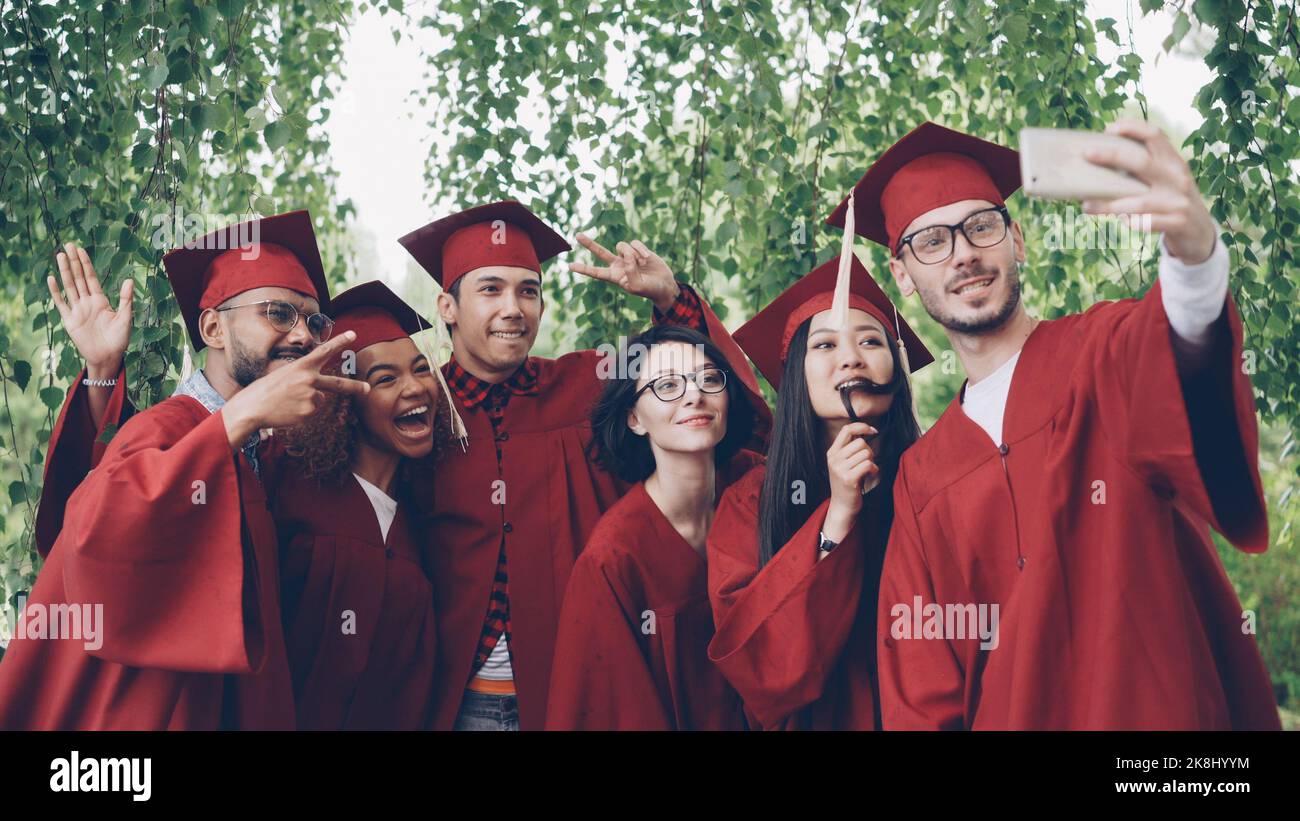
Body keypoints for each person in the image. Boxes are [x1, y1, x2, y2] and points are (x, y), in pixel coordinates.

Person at [826, 120, 1279, 729]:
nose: (963, 253)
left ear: (1017, 238)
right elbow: (921, 687)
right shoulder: (920, 479)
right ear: (903, 275)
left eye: (981, 226)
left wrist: (1195, 257)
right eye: (931, 241)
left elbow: (1175, 342)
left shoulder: (1101, 353)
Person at [398, 200, 768, 730]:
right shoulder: (417, 411)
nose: (513, 308)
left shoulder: (590, 385)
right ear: (447, 307)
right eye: (490, 289)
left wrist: (670, 300)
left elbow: (717, 405)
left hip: (580, 689)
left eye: (529, 290)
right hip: (454, 702)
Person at [0, 211, 368, 729]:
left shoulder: (263, 453)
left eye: (312, 320)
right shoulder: (173, 427)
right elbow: (96, 529)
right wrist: (241, 415)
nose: (304, 336)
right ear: (214, 328)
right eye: (278, 313)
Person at [706, 255, 932, 730]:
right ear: (795, 377)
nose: (851, 357)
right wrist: (838, 519)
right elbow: (758, 668)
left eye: (871, 340)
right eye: (824, 344)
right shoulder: (751, 501)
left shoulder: (937, 477)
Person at [546, 324, 764, 730]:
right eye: (667, 386)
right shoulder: (613, 559)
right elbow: (614, 708)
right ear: (634, 418)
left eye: (709, 379)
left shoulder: (756, 486)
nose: (694, 395)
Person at [267, 281, 450, 729]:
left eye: (421, 369)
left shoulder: (422, 516)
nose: (415, 388)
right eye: (385, 378)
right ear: (343, 399)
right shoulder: (282, 486)